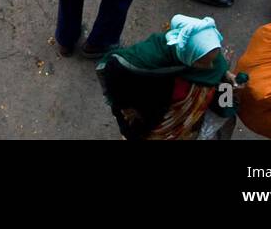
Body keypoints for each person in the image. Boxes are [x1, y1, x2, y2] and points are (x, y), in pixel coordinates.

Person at [97, 15, 238, 140]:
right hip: (157, 122)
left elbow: (220, 74)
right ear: (189, 57)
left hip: (175, 121)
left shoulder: (196, 50)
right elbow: (146, 114)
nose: (211, 66)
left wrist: (226, 75)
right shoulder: (154, 75)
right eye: (204, 62)